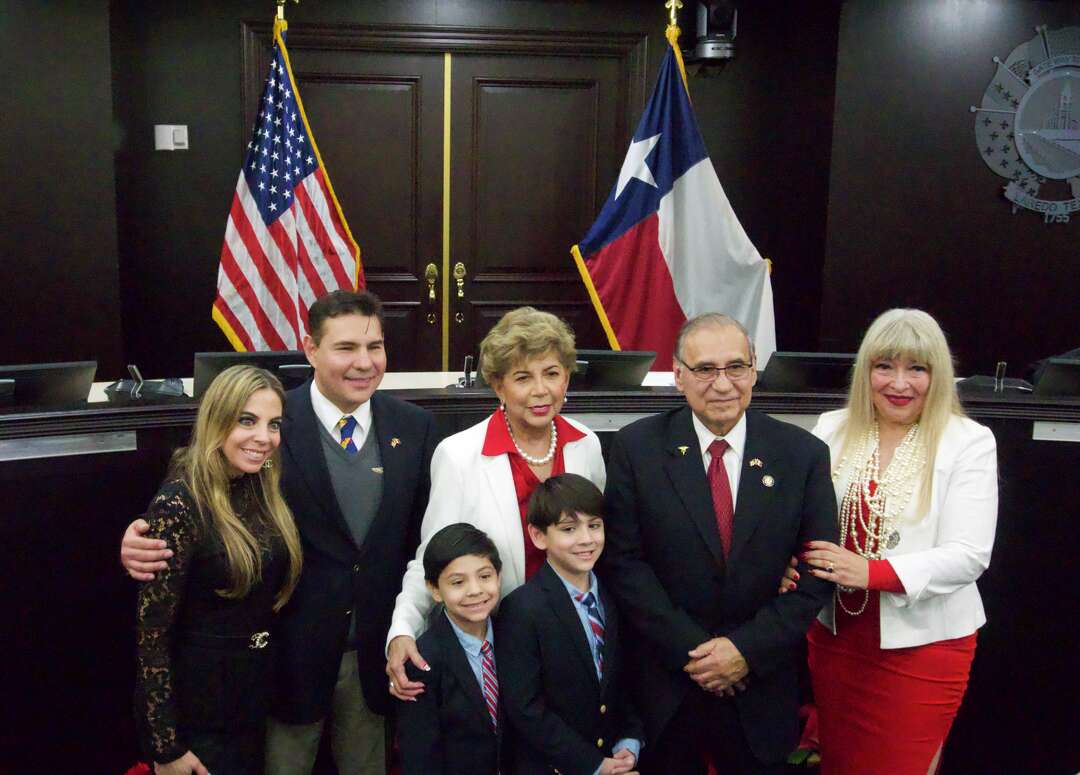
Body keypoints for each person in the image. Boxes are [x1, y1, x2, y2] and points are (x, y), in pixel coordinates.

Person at [123, 290, 438, 775]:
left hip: (375, 658)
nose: (364, 362)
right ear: (310, 349)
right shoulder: (267, 418)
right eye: (346, 347)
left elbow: (423, 539)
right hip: (279, 664)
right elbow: (201, 491)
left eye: (374, 346)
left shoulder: (415, 427)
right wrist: (140, 539)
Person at [600, 313, 838, 774]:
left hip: (759, 686)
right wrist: (699, 654)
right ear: (678, 375)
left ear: (754, 369)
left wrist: (744, 651)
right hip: (668, 687)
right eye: (706, 369)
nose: (723, 384)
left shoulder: (802, 454)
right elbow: (624, 564)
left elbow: (817, 571)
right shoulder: (637, 447)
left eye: (736, 367)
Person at [803, 308, 998, 775]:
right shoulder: (830, 427)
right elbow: (802, 523)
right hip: (835, 640)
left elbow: (969, 555)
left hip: (925, 649)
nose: (899, 383)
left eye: (917, 368)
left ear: (938, 375)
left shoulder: (969, 441)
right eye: (884, 366)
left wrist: (869, 572)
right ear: (865, 371)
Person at [386, 307, 606, 700]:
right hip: (497, 643)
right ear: (498, 385)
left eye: (551, 373)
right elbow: (433, 557)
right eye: (523, 377)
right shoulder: (458, 455)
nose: (541, 390)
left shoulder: (586, 445)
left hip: (574, 642)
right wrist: (403, 629)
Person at [134, 365, 303, 775]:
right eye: (247, 420)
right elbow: (152, 635)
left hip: (250, 704)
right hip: (199, 717)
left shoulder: (258, 487)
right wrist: (166, 748)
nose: (264, 437)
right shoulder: (179, 503)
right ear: (217, 420)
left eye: (273, 424)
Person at [496, 473, 642, 775]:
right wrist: (594, 764)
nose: (586, 539)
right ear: (538, 536)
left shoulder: (614, 596)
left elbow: (625, 679)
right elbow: (526, 709)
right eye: (569, 529)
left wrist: (630, 740)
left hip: (614, 758)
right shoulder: (522, 608)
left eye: (594, 525)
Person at [396, 524, 505, 775]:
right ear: (435, 589)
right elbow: (420, 755)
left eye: (485, 576)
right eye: (458, 582)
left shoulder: (513, 635)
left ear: (499, 577)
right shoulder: (423, 660)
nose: (475, 590)